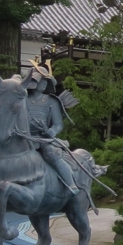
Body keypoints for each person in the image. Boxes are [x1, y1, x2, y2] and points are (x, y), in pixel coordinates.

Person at [24, 59, 80, 195]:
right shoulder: (22, 99)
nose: (44, 84)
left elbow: (58, 124)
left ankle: (71, 184)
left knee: (52, 154)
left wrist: (51, 131)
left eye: (46, 82)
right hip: (24, 136)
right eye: (41, 81)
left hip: (43, 139)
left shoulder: (51, 101)